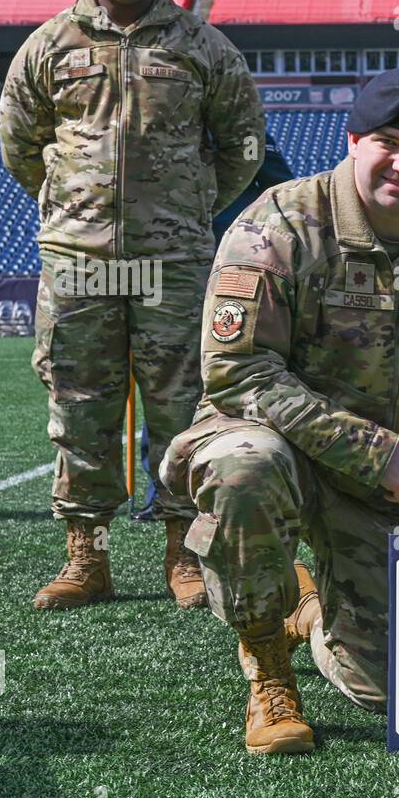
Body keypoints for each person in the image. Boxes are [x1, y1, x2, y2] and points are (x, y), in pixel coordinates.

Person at [160, 67, 399, 754]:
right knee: (247, 470)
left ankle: (311, 609)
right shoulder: (278, 224)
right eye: (387, 142)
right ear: (353, 139)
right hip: (278, 447)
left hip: (386, 487)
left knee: (389, 686)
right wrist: (372, 449)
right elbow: (236, 370)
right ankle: (269, 669)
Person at [0, 0, 265, 609]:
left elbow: (242, 146)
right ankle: (87, 558)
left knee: (184, 403)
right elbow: (20, 144)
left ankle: (185, 554)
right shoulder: (48, 45)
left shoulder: (205, 47)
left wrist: (188, 210)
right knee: (79, 403)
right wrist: (73, 210)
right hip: (79, 260)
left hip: (173, 262)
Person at [133, 133, 296, 522]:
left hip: (239, 279)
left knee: (239, 381)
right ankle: (164, 490)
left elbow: (285, 198)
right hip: (178, 275)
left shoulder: (250, 140)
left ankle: (237, 485)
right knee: (169, 382)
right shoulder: (164, 141)